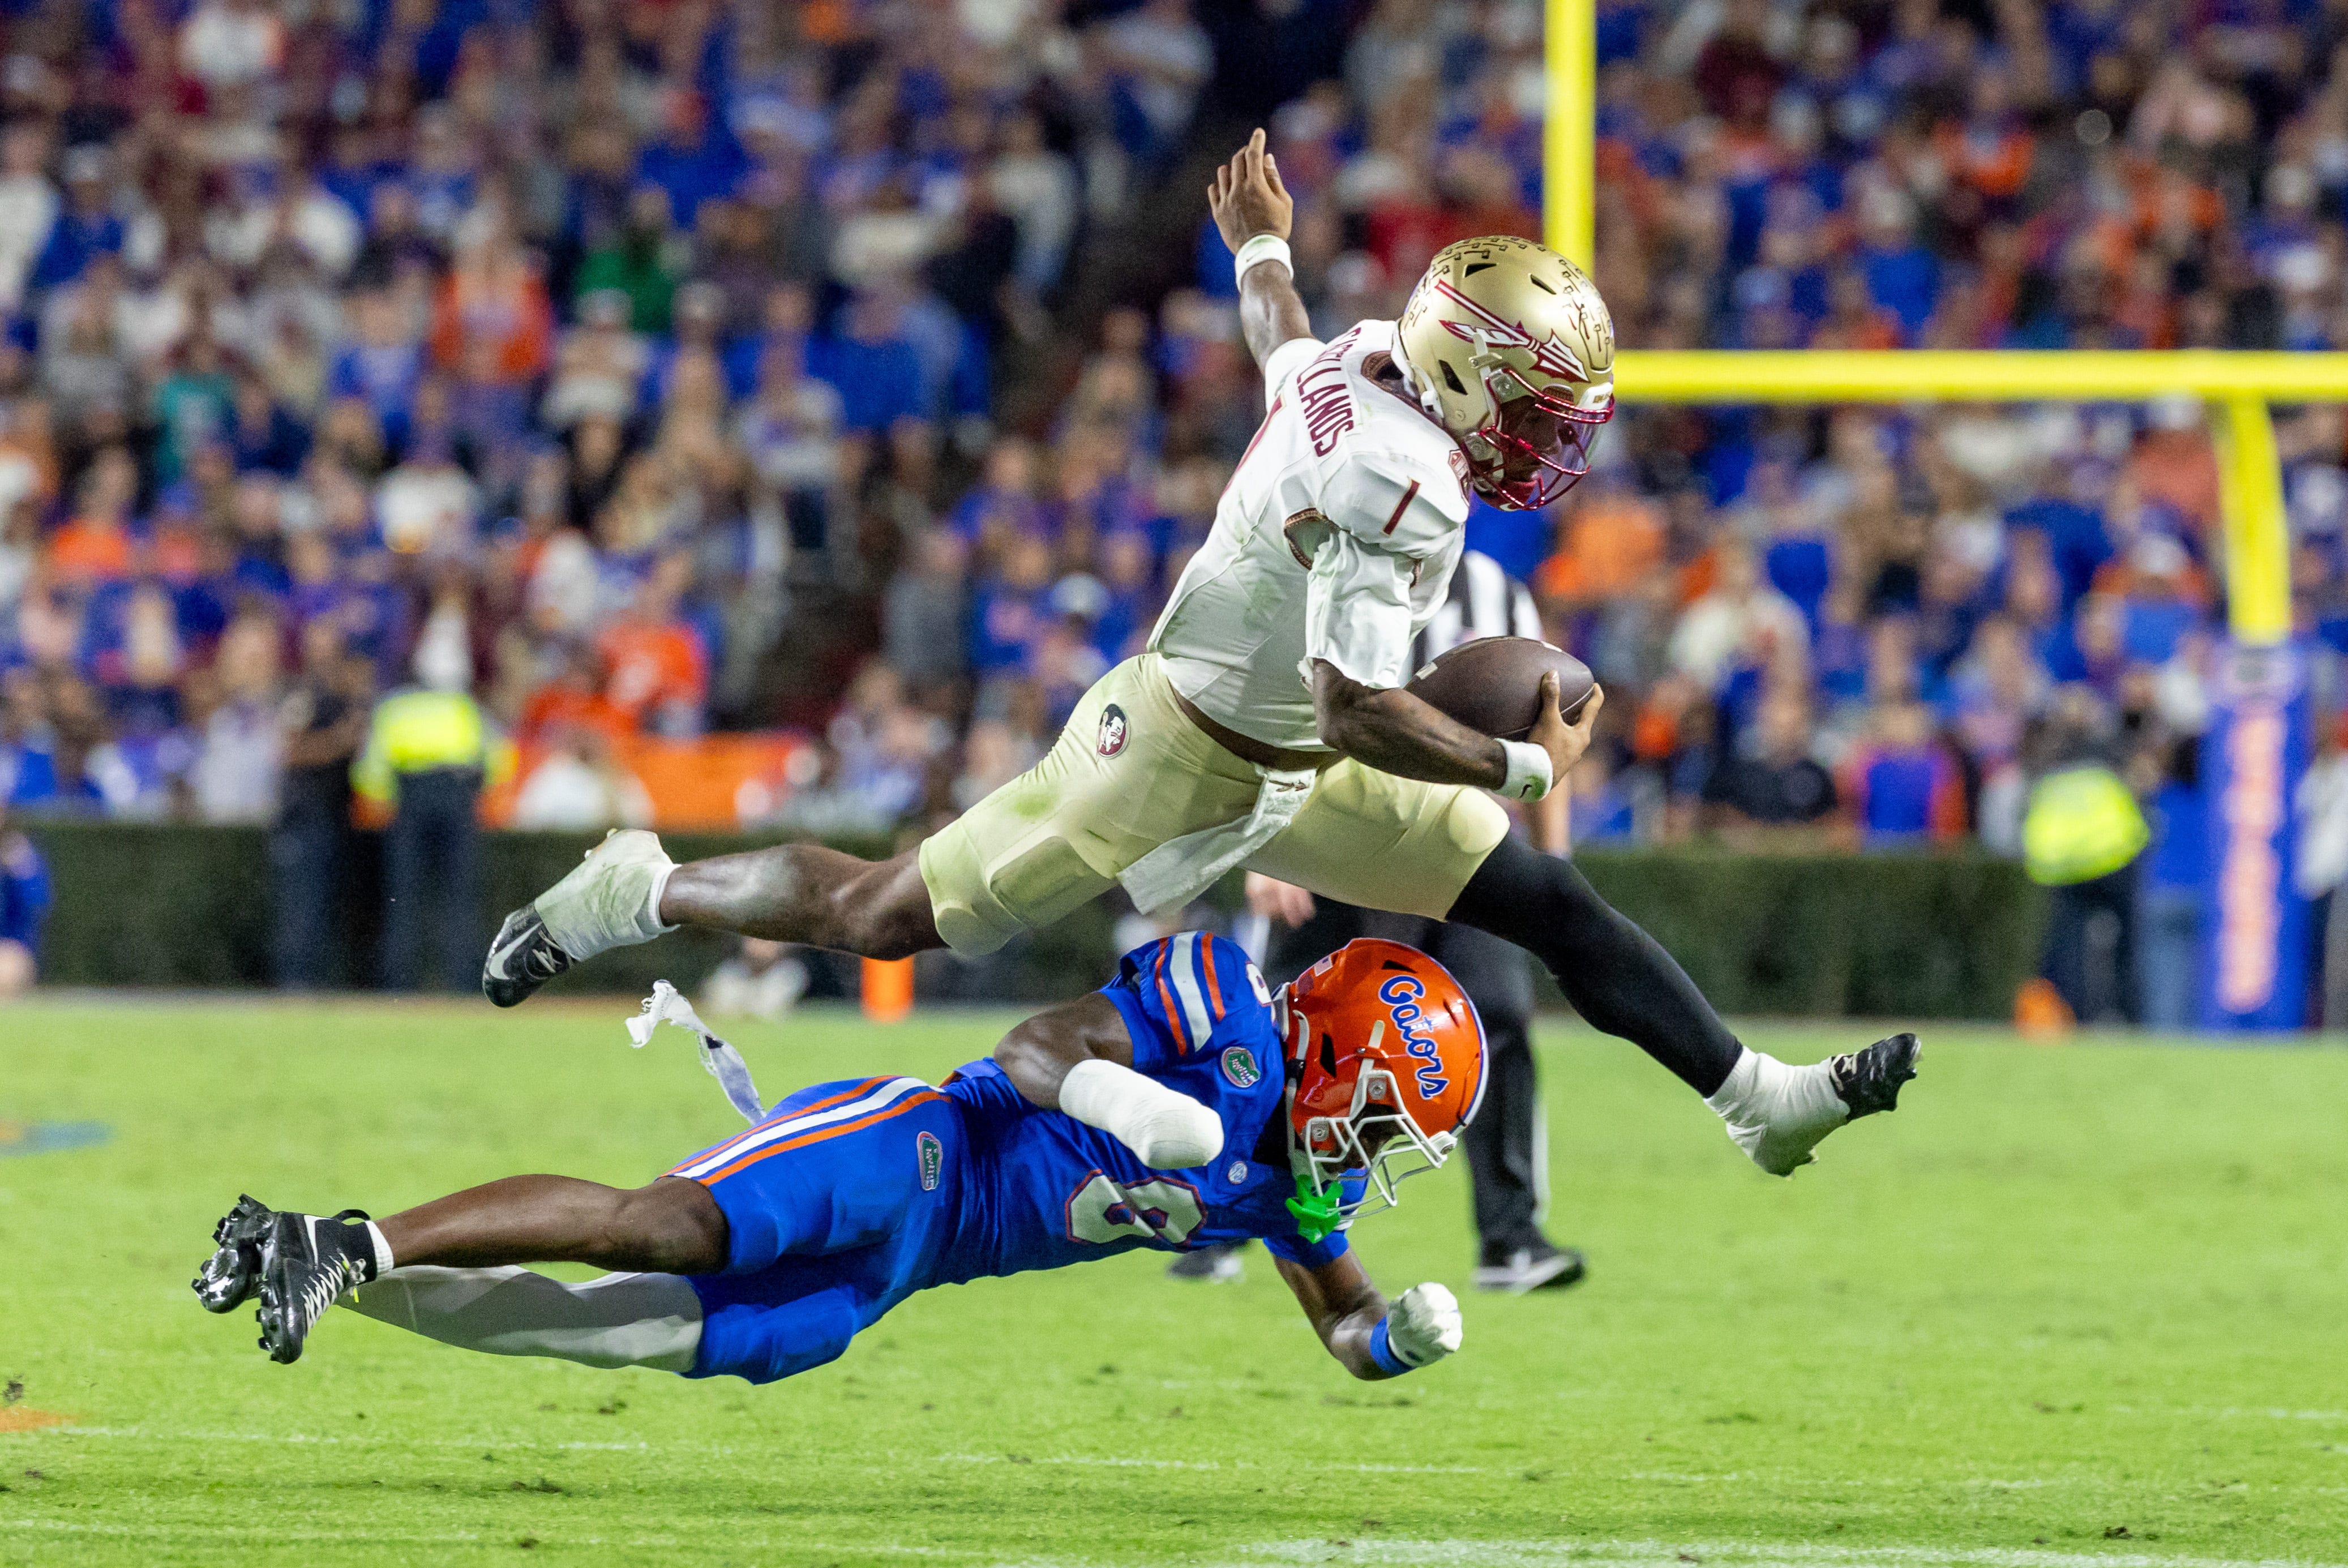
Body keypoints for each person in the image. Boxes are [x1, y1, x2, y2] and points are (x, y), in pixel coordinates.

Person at [485, 132, 1919, 1182]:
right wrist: (1521, 754)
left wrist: (1261, 248)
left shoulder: (1365, 364)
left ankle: (1757, 1099)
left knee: (1541, 898)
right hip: (1178, 747)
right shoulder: (1405, 480)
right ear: (1469, 376)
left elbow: (1277, 340)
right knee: (881, 914)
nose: (1551, 441)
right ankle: (643, 882)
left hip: (1287, 758)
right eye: (1541, 408)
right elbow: (1357, 705)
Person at [193, 933, 1475, 1385]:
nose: (1370, 1148)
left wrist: (1393, 1341)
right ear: (1333, 1049)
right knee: (661, 1227)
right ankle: (350, 1241)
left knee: (612, 1331)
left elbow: (1341, 1317)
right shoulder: (1233, 1020)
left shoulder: (1304, 1177)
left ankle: (315, 1256)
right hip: (918, 1145)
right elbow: (1032, 1045)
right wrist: (1134, 1106)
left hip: (907, 1269)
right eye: (1377, 1113)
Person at [1186, 550, 1586, 1295]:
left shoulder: (1501, 595)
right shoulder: (1338, 571)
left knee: (1499, 1017)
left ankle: (1512, 1236)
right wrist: (1268, 845)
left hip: (1472, 850)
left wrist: (1552, 865)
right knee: (1288, 1029)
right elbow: (1280, 711)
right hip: (1352, 838)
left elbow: (1549, 736)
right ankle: (1217, 1214)